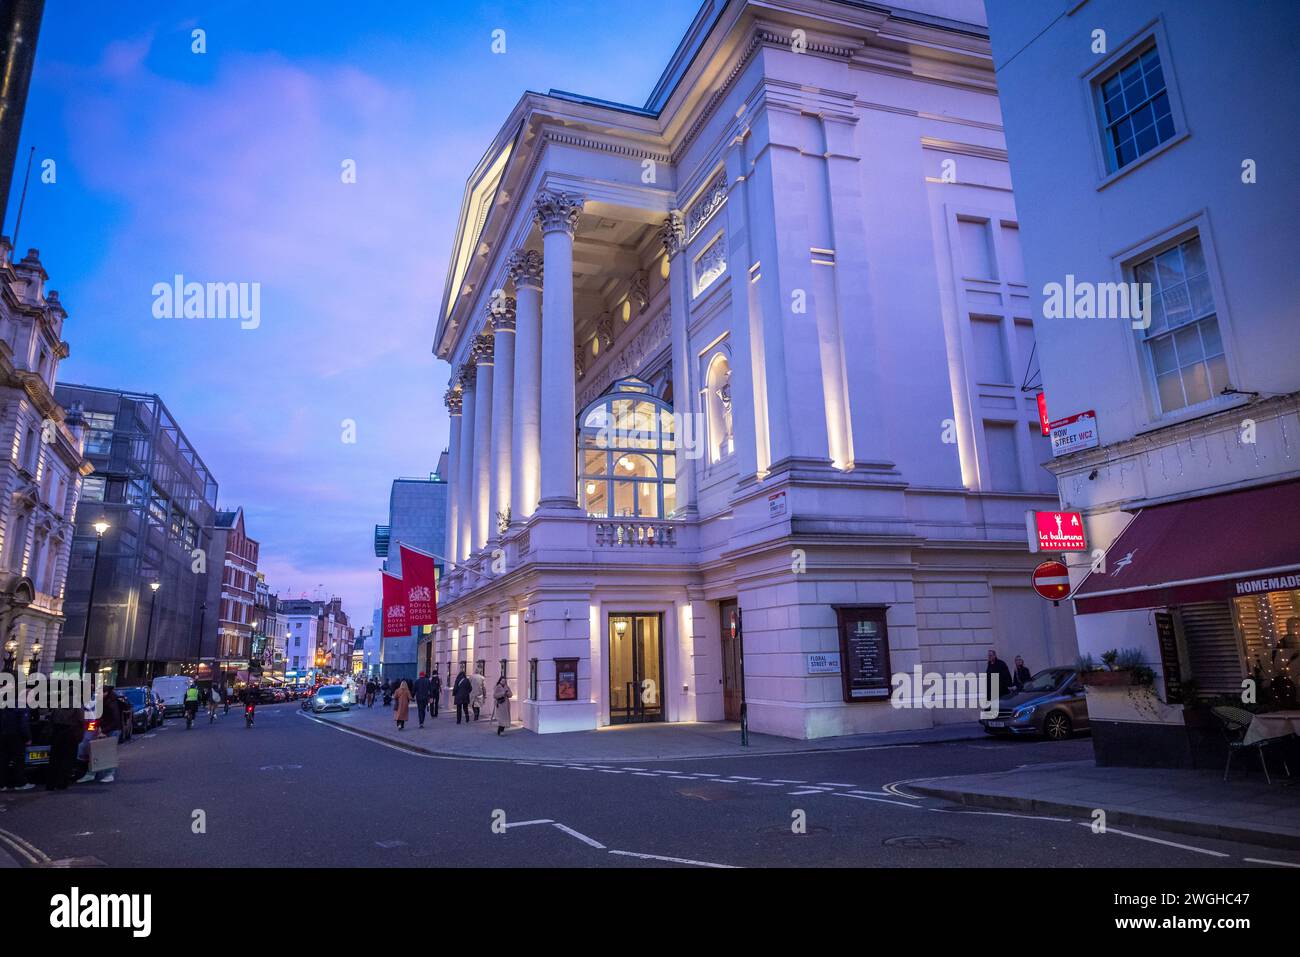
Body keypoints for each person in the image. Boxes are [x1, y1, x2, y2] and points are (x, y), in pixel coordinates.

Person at [79, 690, 121, 784]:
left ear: (106, 692)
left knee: (108, 752)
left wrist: (104, 730)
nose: (97, 695)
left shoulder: (111, 703)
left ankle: (108, 774)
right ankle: (93, 773)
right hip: (107, 729)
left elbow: (115, 720)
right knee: (99, 751)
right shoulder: (105, 702)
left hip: (112, 730)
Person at [0, 693, 33, 791]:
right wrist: (28, 738)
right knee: (18, 761)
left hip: (3, 736)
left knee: (3, 761)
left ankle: (2, 785)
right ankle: (20, 783)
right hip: (16, 737)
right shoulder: (21, 707)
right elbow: (23, 725)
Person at [45, 703, 82, 791]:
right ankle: (62, 783)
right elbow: (81, 721)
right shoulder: (77, 706)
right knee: (67, 760)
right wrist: (79, 736)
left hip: (57, 734)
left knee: (54, 759)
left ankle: (50, 784)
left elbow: (51, 721)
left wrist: (49, 736)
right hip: (70, 734)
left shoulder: (58, 706)